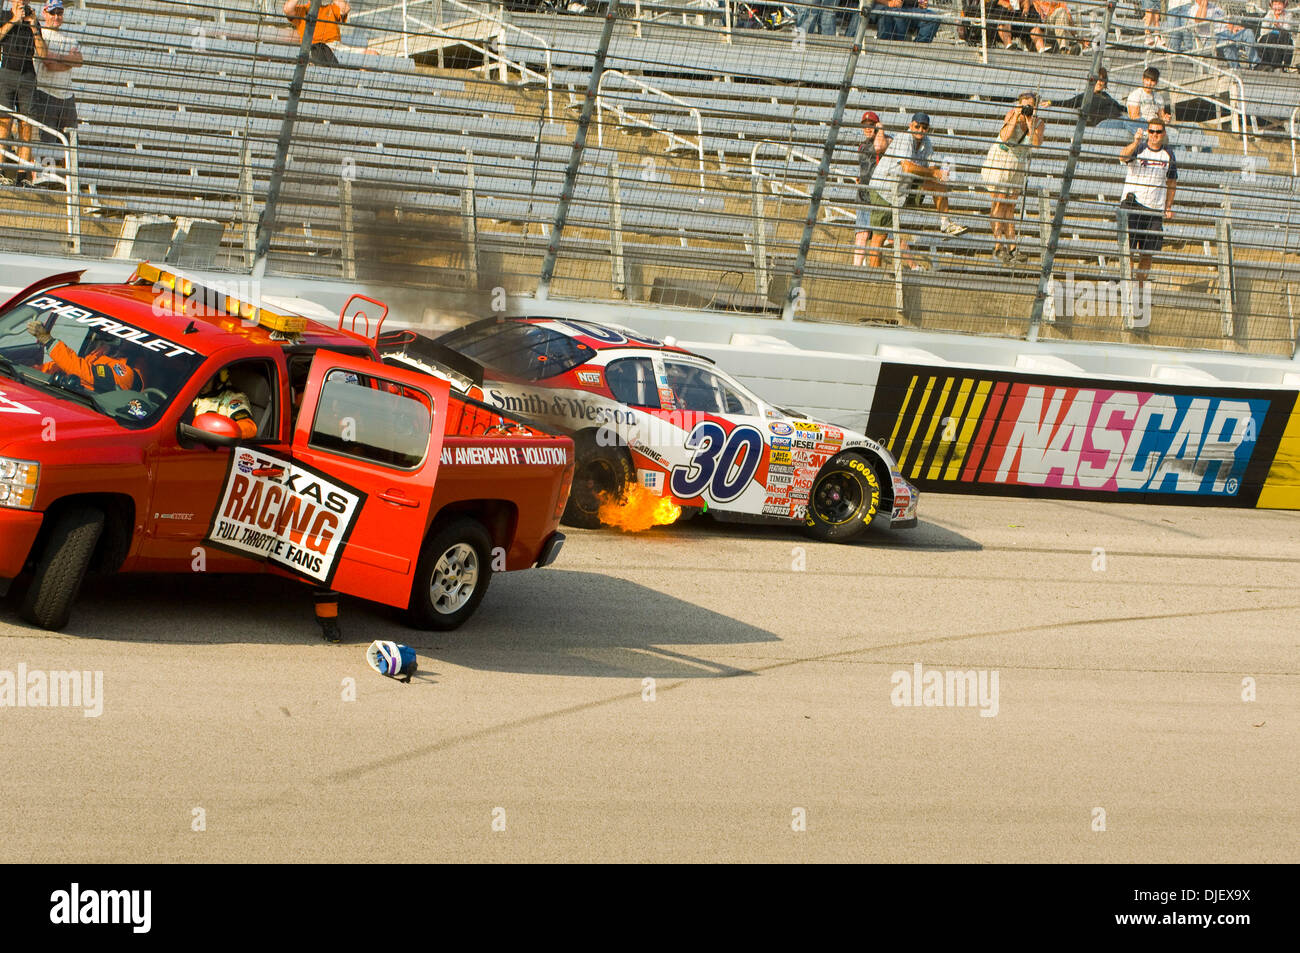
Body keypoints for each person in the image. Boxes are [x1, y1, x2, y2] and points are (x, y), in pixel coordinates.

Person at [866, 112, 968, 269]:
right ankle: (874, 275)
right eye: (917, 126)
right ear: (910, 125)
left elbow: (932, 165)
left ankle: (945, 223)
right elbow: (907, 167)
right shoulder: (904, 138)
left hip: (903, 187)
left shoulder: (926, 141)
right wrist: (934, 173)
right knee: (880, 237)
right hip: (884, 189)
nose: (920, 130)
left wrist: (940, 174)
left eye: (924, 127)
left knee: (939, 186)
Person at [980, 92, 1045, 263]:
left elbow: (1036, 144)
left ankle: (1012, 246)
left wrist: (1030, 124)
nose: (1027, 108)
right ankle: (998, 245)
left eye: (1030, 105)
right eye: (1024, 105)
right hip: (1000, 161)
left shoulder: (1038, 123)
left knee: (1010, 206)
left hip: (1018, 165)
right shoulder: (1011, 114)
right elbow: (1006, 136)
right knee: (999, 201)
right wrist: (1016, 115)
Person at [1118, 118, 1177, 291]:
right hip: (1133, 204)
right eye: (1151, 131)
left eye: (1158, 132)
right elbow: (1122, 157)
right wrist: (1135, 141)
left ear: (1163, 133)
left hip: (1154, 209)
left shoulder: (1168, 154)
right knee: (1127, 250)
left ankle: (1139, 290)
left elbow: (1172, 182)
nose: (1154, 135)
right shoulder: (1139, 148)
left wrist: (1168, 206)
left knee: (1147, 254)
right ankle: (1126, 287)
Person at [0, 0, 48, 184]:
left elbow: (43, 54)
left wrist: (34, 26)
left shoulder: (33, 21)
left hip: (28, 75)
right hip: (6, 74)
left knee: (26, 126)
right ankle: (1, 171)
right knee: (4, 122)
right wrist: (14, 20)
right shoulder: (4, 16)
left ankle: (22, 175)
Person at [30, 1, 78, 183]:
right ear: (44, 13)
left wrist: (57, 59)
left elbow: (79, 60)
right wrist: (67, 61)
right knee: (46, 140)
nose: (56, 16)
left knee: (71, 140)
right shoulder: (39, 34)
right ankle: (42, 179)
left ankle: (72, 182)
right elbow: (47, 63)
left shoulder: (69, 38)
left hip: (67, 96)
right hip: (45, 92)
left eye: (59, 13)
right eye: (53, 13)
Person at [26, 321, 142, 391]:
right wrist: (28, 373)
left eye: (118, 333)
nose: (107, 336)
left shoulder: (128, 372)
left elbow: (82, 371)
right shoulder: (103, 352)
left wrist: (48, 340)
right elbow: (62, 367)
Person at [854, 110, 890, 265]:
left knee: (890, 238)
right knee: (861, 234)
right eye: (865, 126)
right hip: (864, 195)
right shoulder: (862, 146)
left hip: (880, 197)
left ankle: (914, 266)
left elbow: (879, 147)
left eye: (871, 125)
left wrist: (880, 129)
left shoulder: (885, 140)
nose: (868, 128)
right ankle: (856, 269)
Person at [1046, 67, 1126, 126]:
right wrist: (1051, 102)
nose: (1099, 83)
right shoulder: (1084, 97)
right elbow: (1068, 102)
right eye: (1097, 79)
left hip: (1119, 120)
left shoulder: (1106, 96)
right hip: (1105, 123)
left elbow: (1120, 107)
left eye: (1102, 80)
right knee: (1131, 123)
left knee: (1134, 121)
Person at [191, 368, 258, 439]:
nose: (202, 383)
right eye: (199, 378)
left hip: (213, 444)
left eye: (207, 379)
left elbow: (248, 428)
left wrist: (219, 432)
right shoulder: (190, 393)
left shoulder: (233, 397)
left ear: (218, 379)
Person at [283, 0, 350, 67]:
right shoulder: (302, 10)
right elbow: (288, 9)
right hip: (312, 47)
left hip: (333, 46)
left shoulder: (331, 8)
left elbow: (346, 8)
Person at [874, 0, 941, 42]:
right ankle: (895, 50)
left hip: (910, 9)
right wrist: (889, 3)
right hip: (888, 8)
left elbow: (922, 3)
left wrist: (922, 4)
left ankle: (918, 49)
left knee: (933, 18)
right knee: (899, 17)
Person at [1258, 0, 1294, 69]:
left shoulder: (1288, 15)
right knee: (1272, 37)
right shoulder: (1269, 15)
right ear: (1271, 5)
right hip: (1268, 39)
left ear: (1284, 5)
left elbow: (1288, 29)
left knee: (1285, 37)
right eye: (1275, 4)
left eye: (1279, 4)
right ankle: (1274, 66)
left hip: (1282, 39)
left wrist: (1278, 26)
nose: (1277, 7)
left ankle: (1284, 66)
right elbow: (1264, 32)